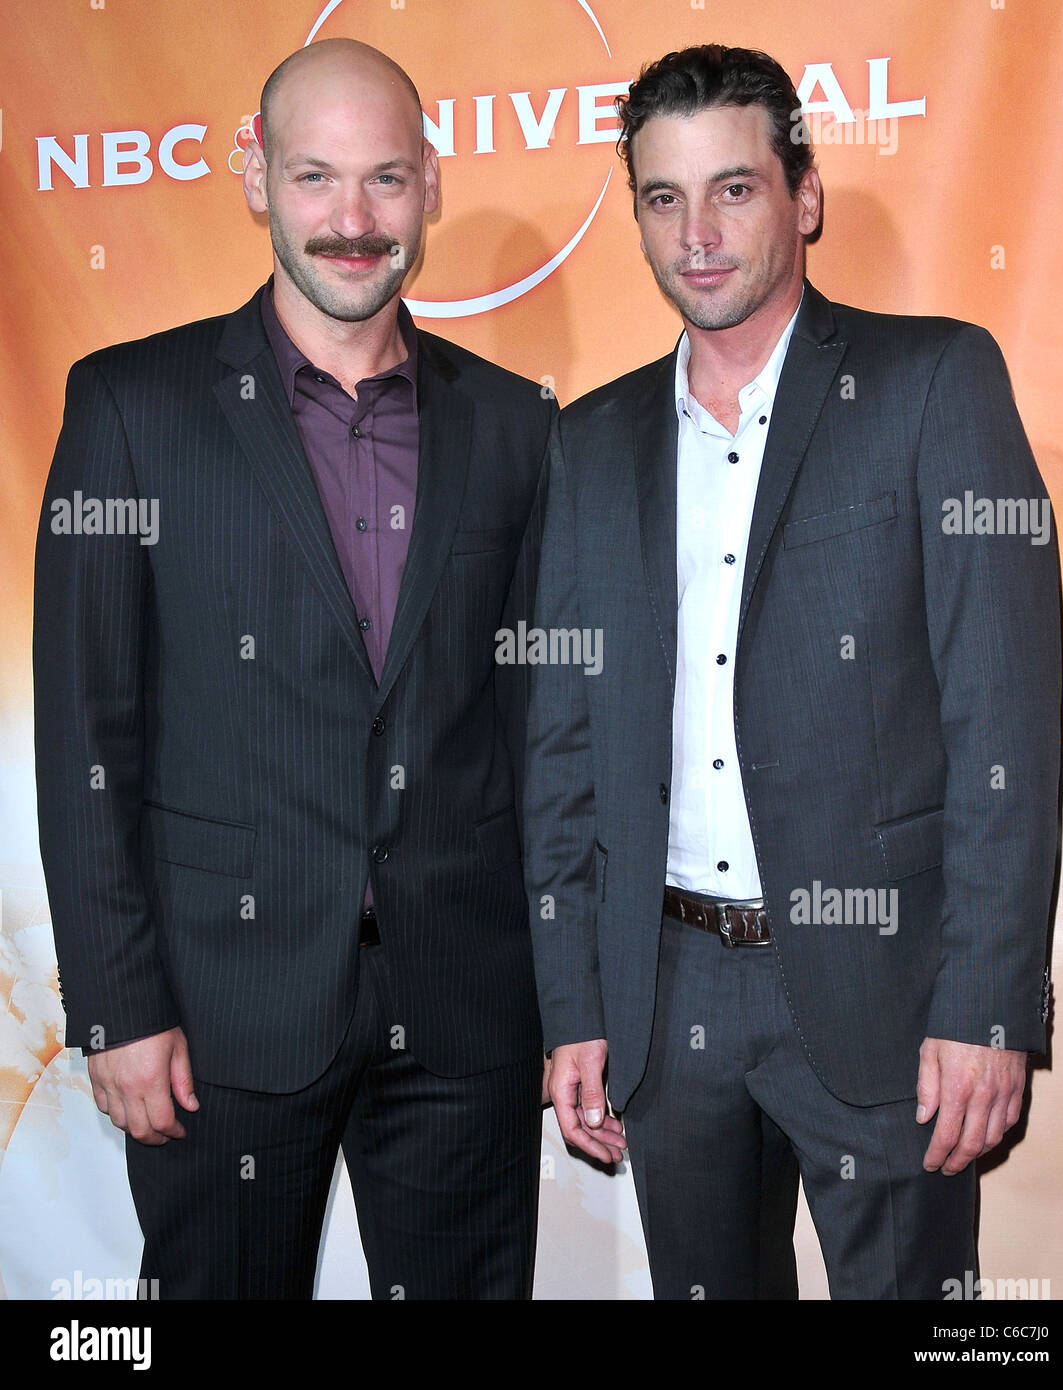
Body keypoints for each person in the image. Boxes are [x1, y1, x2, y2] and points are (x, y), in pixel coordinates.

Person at [523, 44, 1062, 1299]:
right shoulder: (588, 443)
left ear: (803, 196)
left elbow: (1005, 717)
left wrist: (987, 1001)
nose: (696, 234)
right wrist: (575, 1004)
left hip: (886, 991)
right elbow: (560, 747)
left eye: (733, 189)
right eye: (662, 197)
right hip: (665, 996)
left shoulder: (933, 381)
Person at [34, 38, 556, 1300]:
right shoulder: (128, 407)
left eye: (385, 179)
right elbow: (84, 732)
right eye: (316, 177)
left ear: (431, 183)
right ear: (253, 175)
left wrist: (571, 994)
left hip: (466, 1011)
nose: (353, 220)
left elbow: (544, 731)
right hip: (220, 1011)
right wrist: (117, 1005)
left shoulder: (516, 422)